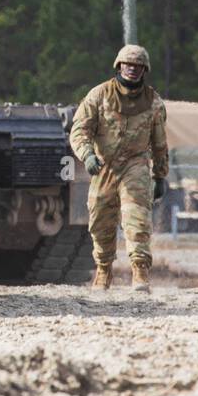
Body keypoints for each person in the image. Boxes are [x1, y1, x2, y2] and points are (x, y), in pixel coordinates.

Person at [69, 44, 169, 292]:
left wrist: (160, 175)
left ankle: (140, 272)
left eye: (137, 66)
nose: (132, 70)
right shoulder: (99, 95)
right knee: (100, 221)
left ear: (144, 70)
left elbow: (159, 143)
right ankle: (103, 270)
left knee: (136, 218)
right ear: (118, 66)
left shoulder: (154, 103)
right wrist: (87, 155)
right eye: (127, 65)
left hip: (135, 165)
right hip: (104, 166)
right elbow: (79, 130)